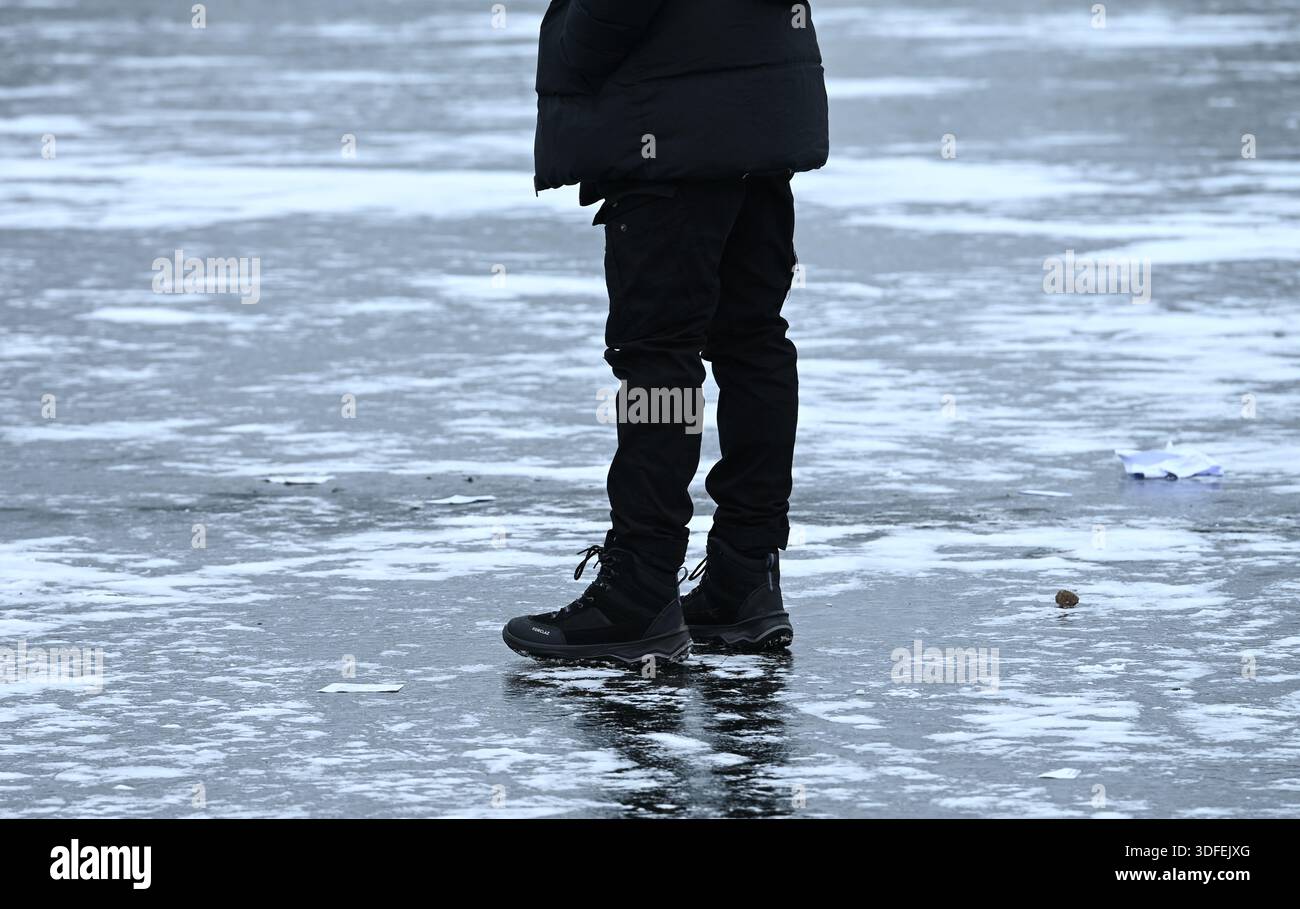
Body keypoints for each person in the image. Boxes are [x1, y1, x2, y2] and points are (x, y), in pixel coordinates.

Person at [502, 0, 829, 664]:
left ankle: (639, 591)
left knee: (657, 354)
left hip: (670, 116)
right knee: (751, 342)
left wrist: (573, 46)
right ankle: (744, 576)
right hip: (756, 109)